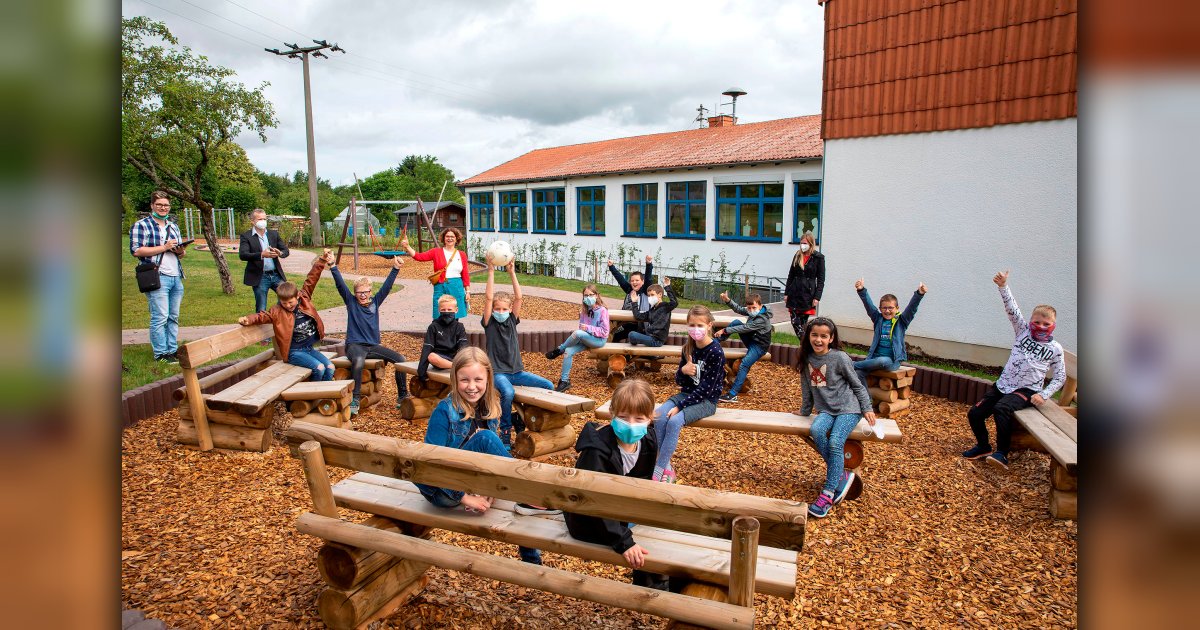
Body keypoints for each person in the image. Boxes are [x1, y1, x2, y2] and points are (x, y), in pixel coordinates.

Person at [415, 347, 557, 565]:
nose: (472, 387)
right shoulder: (444, 411)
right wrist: (463, 496)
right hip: (441, 490)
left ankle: (531, 558)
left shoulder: (490, 405)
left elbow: (492, 460)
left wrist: (488, 487)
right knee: (488, 441)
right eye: (464, 380)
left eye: (478, 379)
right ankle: (530, 494)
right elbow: (428, 466)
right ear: (454, 379)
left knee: (512, 492)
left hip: (469, 479)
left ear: (489, 378)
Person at [564, 378, 669, 591]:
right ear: (612, 413)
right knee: (655, 537)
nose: (631, 424)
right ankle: (651, 585)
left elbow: (644, 484)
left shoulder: (648, 438)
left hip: (621, 511)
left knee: (671, 525)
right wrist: (624, 542)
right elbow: (593, 502)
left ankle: (659, 583)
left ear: (650, 418)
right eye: (623, 417)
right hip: (590, 519)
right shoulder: (596, 451)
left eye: (638, 418)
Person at [962, 270, 1066, 471]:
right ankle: (983, 446)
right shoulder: (1022, 331)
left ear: (1053, 326)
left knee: (1002, 408)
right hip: (1003, 385)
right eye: (1037, 322)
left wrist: (1044, 395)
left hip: (1026, 391)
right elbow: (1012, 310)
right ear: (1030, 321)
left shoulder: (1055, 349)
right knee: (975, 413)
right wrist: (1003, 287)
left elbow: (1060, 377)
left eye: (1046, 324)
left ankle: (1002, 453)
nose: (1040, 326)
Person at [797, 317, 876, 518]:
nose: (818, 340)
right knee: (815, 430)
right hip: (826, 409)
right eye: (814, 335)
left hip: (849, 408)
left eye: (824, 336)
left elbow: (857, 385)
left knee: (835, 442)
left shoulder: (840, 358)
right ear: (808, 336)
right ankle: (840, 472)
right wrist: (805, 411)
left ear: (831, 339)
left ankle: (828, 494)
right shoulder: (807, 358)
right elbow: (807, 387)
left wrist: (867, 408)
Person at [482, 252, 554, 448]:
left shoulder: (512, 320)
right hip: (498, 373)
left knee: (548, 385)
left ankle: (523, 420)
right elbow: (489, 298)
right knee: (507, 393)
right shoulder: (490, 324)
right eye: (498, 309)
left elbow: (519, 297)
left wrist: (512, 272)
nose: (501, 312)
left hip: (517, 371)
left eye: (505, 309)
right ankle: (505, 432)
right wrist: (490, 271)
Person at [328, 250, 409, 415]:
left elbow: (387, 287)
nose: (363, 295)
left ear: (370, 292)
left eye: (365, 292)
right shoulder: (351, 302)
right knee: (358, 361)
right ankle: (355, 398)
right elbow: (340, 284)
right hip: (354, 345)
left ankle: (402, 395)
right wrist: (332, 266)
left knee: (400, 360)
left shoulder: (375, 302)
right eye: (359, 292)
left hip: (372, 346)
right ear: (355, 293)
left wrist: (395, 268)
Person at [651, 305, 725, 483]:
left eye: (700, 325)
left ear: (709, 325)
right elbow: (680, 382)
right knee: (659, 416)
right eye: (692, 325)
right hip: (687, 395)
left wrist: (679, 407)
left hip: (706, 401)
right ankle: (666, 467)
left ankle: (658, 469)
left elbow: (706, 390)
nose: (696, 329)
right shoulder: (688, 349)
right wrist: (684, 371)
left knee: (674, 421)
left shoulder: (716, 352)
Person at [237, 251, 333, 381]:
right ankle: (315, 396)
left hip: (308, 348)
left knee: (330, 367)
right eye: (284, 303)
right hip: (294, 352)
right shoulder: (277, 311)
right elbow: (262, 316)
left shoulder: (304, 298)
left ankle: (324, 396)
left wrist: (322, 261)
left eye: (290, 302)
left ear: (297, 296)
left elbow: (312, 278)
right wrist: (248, 319)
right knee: (320, 368)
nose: (288, 305)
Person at [129, 191, 187, 363]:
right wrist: (164, 247)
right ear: (152, 206)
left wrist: (180, 251)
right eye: (160, 205)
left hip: (175, 275)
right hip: (156, 274)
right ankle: (160, 353)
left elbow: (180, 254)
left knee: (173, 316)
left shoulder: (173, 226)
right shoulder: (142, 225)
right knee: (160, 316)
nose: (163, 208)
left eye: (166, 205)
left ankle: (172, 350)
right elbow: (137, 250)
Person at [851, 279, 928, 387]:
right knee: (859, 374)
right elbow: (869, 306)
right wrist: (861, 290)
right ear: (880, 309)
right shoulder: (878, 319)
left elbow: (911, 309)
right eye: (884, 308)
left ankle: (851, 364)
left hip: (891, 361)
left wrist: (919, 294)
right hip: (874, 358)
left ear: (897, 308)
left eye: (890, 308)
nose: (887, 311)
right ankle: (867, 401)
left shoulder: (902, 321)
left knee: (882, 361)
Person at [544, 284, 610, 392]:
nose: (588, 297)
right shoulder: (584, 310)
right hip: (585, 338)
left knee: (577, 333)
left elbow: (605, 332)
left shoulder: (603, 311)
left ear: (597, 295)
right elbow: (581, 327)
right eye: (585, 295)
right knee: (568, 352)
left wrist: (588, 328)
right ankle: (564, 381)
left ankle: (559, 349)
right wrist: (585, 330)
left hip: (598, 340)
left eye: (590, 295)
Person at [716, 292, 774, 403]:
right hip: (752, 340)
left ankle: (733, 394)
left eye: (754, 307)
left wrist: (724, 330)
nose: (751, 310)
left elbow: (745, 328)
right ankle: (715, 342)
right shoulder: (751, 311)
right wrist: (728, 300)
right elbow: (738, 309)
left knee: (744, 365)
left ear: (760, 306)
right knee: (736, 322)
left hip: (759, 346)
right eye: (749, 308)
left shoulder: (763, 319)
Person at [403, 227, 470, 319]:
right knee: (439, 314)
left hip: (457, 286)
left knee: (454, 314)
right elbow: (419, 257)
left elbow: (465, 274)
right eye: (447, 236)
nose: (449, 238)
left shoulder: (462, 254)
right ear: (444, 238)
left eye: (452, 236)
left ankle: (453, 332)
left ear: (456, 239)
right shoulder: (436, 252)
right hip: (441, 285)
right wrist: (407, 247)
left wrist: (468, 291)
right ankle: (438, 332)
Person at [239, 208, 291, 314]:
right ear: (253, 221)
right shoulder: (246, 236)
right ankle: (262, 325)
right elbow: (243, 255)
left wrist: (279, 253)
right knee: (261, 307)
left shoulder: (273, 234)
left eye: (264, 218)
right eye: (259, 219)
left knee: (287, 296)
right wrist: (262, 254)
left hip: (276, 275)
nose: (263, 221)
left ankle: (277, 316)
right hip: (260, 276)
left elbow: (285, 250)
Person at [416, 294, 469, 381]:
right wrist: (421, 371)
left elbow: (463, 345)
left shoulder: (459, 326)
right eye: (443, 310)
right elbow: (427, 348)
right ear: (439, 310)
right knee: (431, 356)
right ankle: (456, 367)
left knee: (468, 353)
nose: (446, 312)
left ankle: (459, 365)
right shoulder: (433, 326)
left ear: (456, 310)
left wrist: (465, 360)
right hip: (439, 359)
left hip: (454, 357)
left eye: (449, 309)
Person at [784, 231, 825, 337]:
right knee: (795, 321)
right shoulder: (797, 255)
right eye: (801, 243)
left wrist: (817, 297)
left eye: (805, 243)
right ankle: (805, 345)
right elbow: (791, 275)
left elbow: (821, 280)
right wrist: (786, 293)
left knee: (803, 323)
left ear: (811, 244)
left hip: (807, 294)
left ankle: (805, 347)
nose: (803, 245)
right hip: (794, 292)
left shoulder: (818, 258)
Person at [608, 255, 654, 342]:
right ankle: (614, 353)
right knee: (613, 334)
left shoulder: (644, 291)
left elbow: (648, 278)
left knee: (622, 335)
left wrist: (648, 264)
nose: (634, 282)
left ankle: (626, 355)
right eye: (632, 281)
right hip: (625, 321)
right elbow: (620, 279)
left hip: (638, 325)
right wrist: (611, 267)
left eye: (637, 280)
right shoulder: (629, 289)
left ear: (642, 282)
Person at [629, 279, 677, 348]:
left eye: (652, 295)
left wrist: (667, 287)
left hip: (657, 340)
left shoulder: (665, 307)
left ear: (660, 295)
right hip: (650, 337)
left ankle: (652, 354)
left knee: (632, 335)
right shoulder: (651, 310)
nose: (650, 297)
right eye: (649, 296)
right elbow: (638, 316)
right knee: (632, 334)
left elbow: (674, 302)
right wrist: (634, 302)